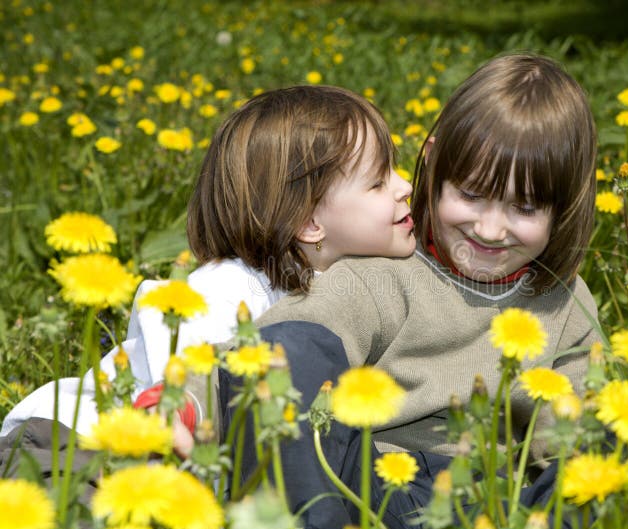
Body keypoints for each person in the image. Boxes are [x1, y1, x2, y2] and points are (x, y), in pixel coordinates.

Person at [219, 53, 600, 529]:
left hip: (502, 501)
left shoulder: (568, 302)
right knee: (288, 357)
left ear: (563, 210)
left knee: (615, 453)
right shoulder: (383, 271)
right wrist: (188, 404)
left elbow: (568, 444)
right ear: (435, 164)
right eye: (472, 194)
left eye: (523, 207)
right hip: (381, 492)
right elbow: (277, 346)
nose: (489, 228)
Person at [0, 85, 416, 447]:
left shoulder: (355, 285)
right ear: (309, 223)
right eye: (378, 181)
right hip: (73, 439)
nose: (406, 186)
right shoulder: (228, 288)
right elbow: (182, 376)